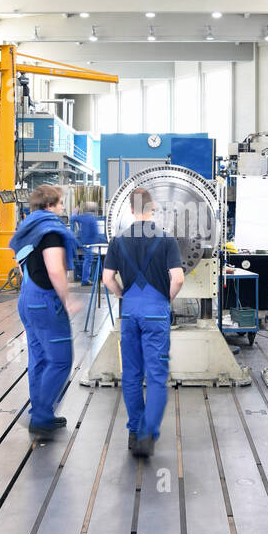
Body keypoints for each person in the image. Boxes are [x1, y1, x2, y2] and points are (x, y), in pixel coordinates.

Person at [102, 189, 184, 458]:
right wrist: (166, 299)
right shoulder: (166, 240)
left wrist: (120, 294)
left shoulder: (118, 241)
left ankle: (134, 431)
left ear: (130, 209)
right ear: (153, 207)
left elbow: (107, 278)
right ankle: (148, 433)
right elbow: (178, 278)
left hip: (130, 311)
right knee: (157, 377)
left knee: (132, 375)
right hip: (156, 310)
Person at [8, 185, 79, 438]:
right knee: (60, 360)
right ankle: (41, 416)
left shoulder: (27, 229)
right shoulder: (51, 232)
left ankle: (41, 412)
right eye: (60, 204)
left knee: (39, 358)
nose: (62, 208)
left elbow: (19, 263)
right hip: (46, 302)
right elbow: (55, 270)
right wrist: (67, 298)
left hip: (27, 299)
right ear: (50, 205)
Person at [70, 201, 102, 287]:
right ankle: (85, 280)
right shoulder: (92, 218)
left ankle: (84, 278)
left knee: (85, 261)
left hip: (82, 242)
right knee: (88, 261)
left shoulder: (82, 217)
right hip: (90, 243)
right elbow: (95, 232)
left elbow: (72, 218)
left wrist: (75, 210)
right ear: (94, 210)